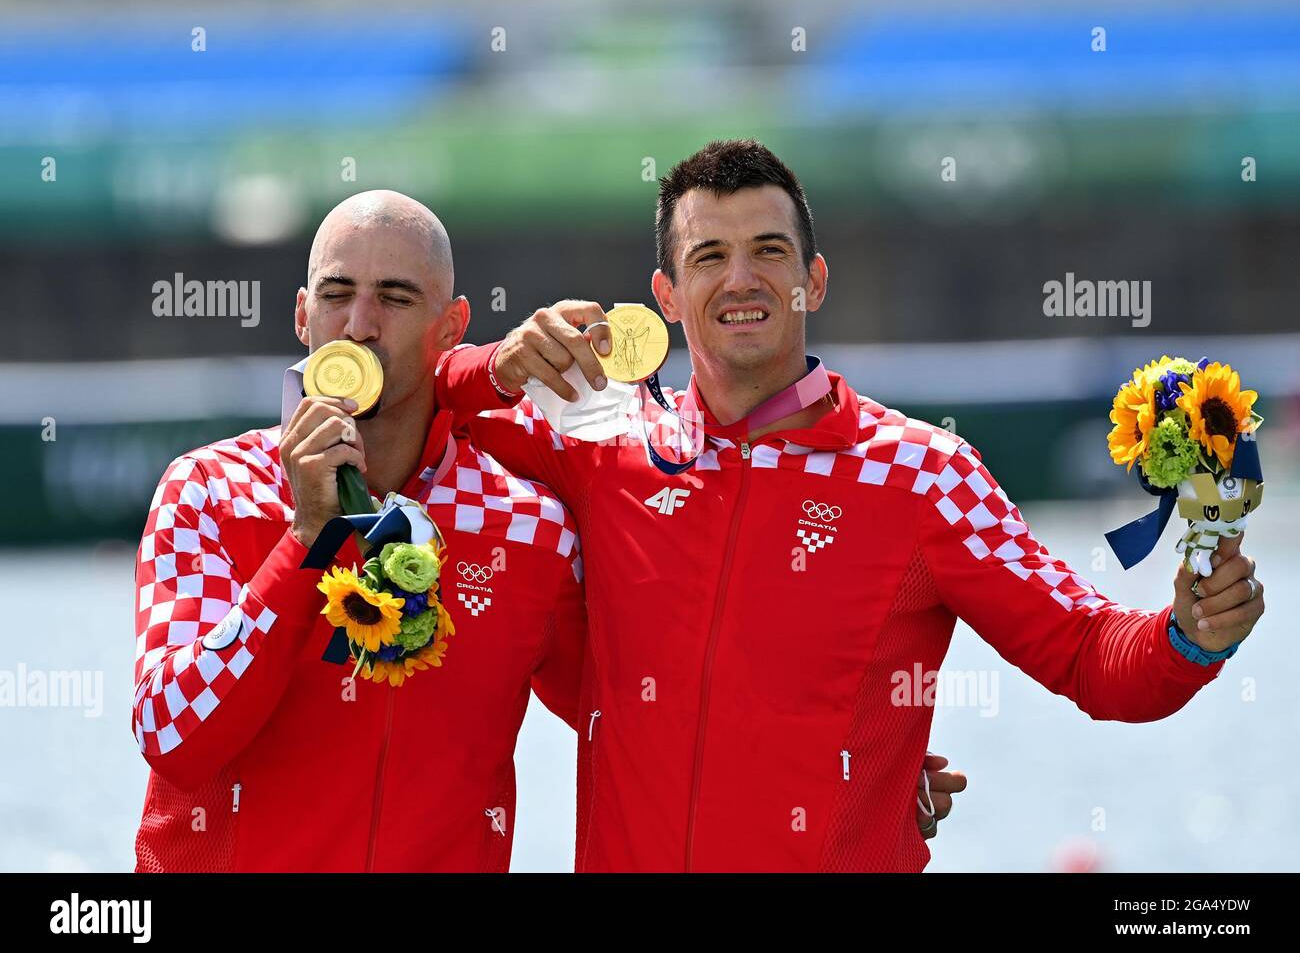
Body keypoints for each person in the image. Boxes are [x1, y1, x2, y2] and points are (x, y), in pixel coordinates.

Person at [439, 139, 1264, 871]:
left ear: (815, 279)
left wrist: (1189, 637)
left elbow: (1089, 654)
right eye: (709, 257)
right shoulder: (602, 447)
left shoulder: (922, 474)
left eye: (769, 250)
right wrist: (497, 367)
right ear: (666, 293)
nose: (741, 280)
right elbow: (411, 418)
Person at [131, 191, 586, 871]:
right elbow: (173, 735)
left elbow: (646, 727)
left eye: (396, 299)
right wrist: (305, 542)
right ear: (301, 315)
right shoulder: (208, 490)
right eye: (336, 294)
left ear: (451, 327)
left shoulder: (528, 528)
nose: (359, 325)